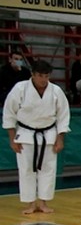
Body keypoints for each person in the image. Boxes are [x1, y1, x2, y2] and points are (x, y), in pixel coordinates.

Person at [3, 60, 71, 215]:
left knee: (48, 169)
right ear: (32, 74)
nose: (43, 79)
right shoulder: (20, 89)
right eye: (40, 75)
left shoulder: (56, 91)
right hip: (25, 135)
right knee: (26, 169)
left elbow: (63, 116)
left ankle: (43, 202)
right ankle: (30, 203)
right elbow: (9, 114)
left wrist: (60, 138)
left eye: (46, 76)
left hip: (49, 135)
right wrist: (12, 138)